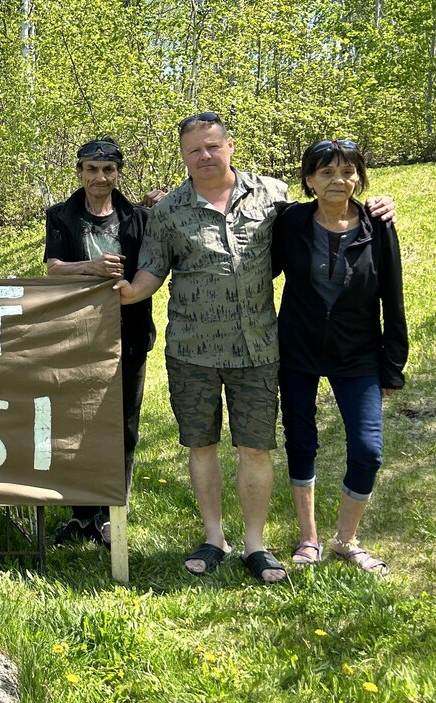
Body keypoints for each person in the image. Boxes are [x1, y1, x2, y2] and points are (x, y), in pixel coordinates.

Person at [115, 112, 395, 583]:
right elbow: (151, 272)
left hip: (260, 349)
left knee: (256, 449)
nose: (205, 155)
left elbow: (332, 211)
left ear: (229, 146)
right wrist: (123, 292)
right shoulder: (167, 212)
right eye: (194, 150)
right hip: (192, 352)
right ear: (183, 156)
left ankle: (255, 544)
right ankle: (212, 537)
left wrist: (375, 206)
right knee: (201, 446)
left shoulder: (274, 196)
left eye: (213, 146)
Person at [272, 139, 406, 575]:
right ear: (309, 180)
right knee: (302, 441)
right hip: (298, 349)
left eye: (347, 172)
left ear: (359, 177)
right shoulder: (290, 220)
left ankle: (347, 540)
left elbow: (393, 295)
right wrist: (158, 202)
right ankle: (308, 538)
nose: (338, 181)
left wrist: (393, 364)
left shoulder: (377, 225)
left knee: (368, 451)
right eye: (326, 172)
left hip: (359, 354)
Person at [43, 137, 154, 546]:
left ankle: (112, 513)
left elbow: (154, 268)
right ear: (80, 172)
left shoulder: (138, 218)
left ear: (118, 173)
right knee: (77, 421)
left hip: (129, 335)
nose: (100, 178)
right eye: (92, 170)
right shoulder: (60, 215)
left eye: (108, 170)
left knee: (123, 424)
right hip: (76, 336)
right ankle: (81, 513)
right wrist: (91, 267)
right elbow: (54, 269)